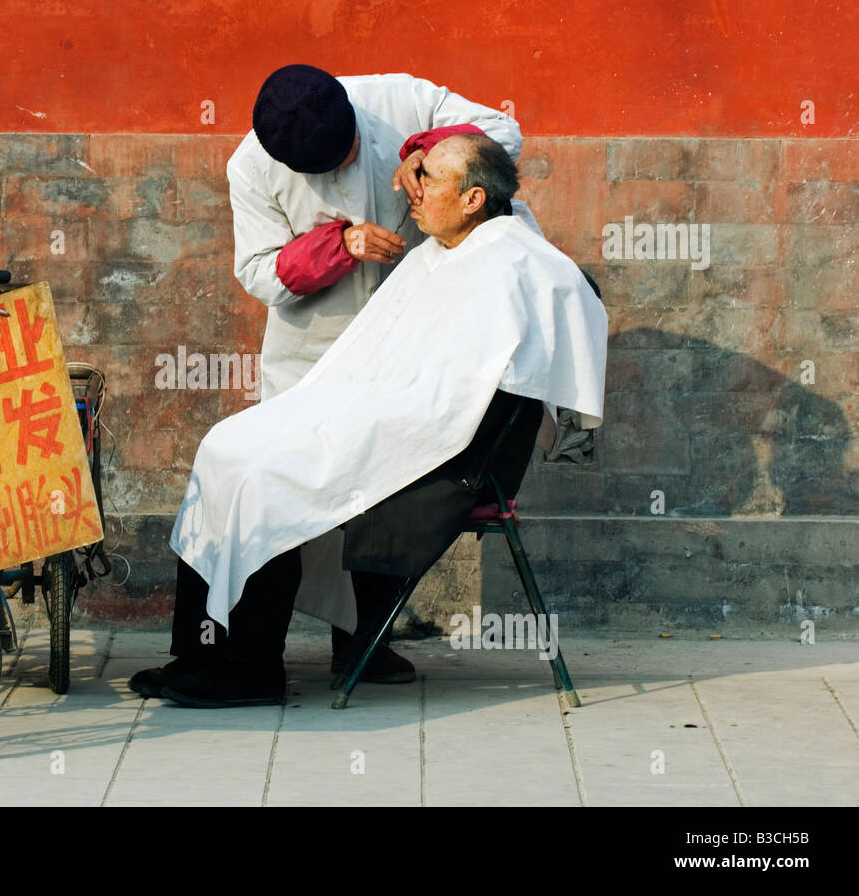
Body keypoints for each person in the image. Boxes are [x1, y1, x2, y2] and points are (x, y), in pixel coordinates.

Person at [130, 133, 607, 707]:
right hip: (382, 413)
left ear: (474, 200)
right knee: (225, 448)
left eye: (428, 178)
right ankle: (202, 654)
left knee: (263, 473)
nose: (413, 188)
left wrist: (358, 418)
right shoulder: (445, 252)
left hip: (443, 454)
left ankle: (251, 670)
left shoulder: (514, 265)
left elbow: (455, 399)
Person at [229, 64, 543, 683]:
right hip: (316, 353)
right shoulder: (252, 165)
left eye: (350, 153)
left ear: (351, 112)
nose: (344, 170)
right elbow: (259, 273)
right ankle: (254, 656)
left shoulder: (400, 98)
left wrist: (424, 150)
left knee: (387, 487)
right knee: (293, 490)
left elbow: (502, 133)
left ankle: (363, 644)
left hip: (418, 345)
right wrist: (337, 247)